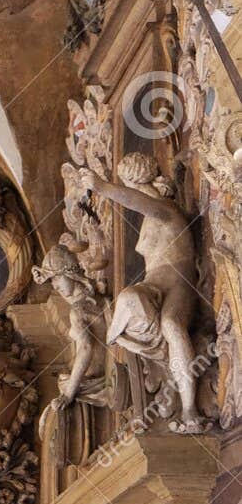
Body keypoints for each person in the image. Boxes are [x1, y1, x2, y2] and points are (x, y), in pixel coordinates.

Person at [78, 153, 203, 432]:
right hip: (153, 284)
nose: (129, 195)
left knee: (171, 324)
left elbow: (143, 204)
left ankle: (189, 409)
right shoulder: (149, 218)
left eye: (128, 186)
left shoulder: (165, 209)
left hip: (178, 280)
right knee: (128, 299)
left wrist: (103, 187)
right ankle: (165, 362)